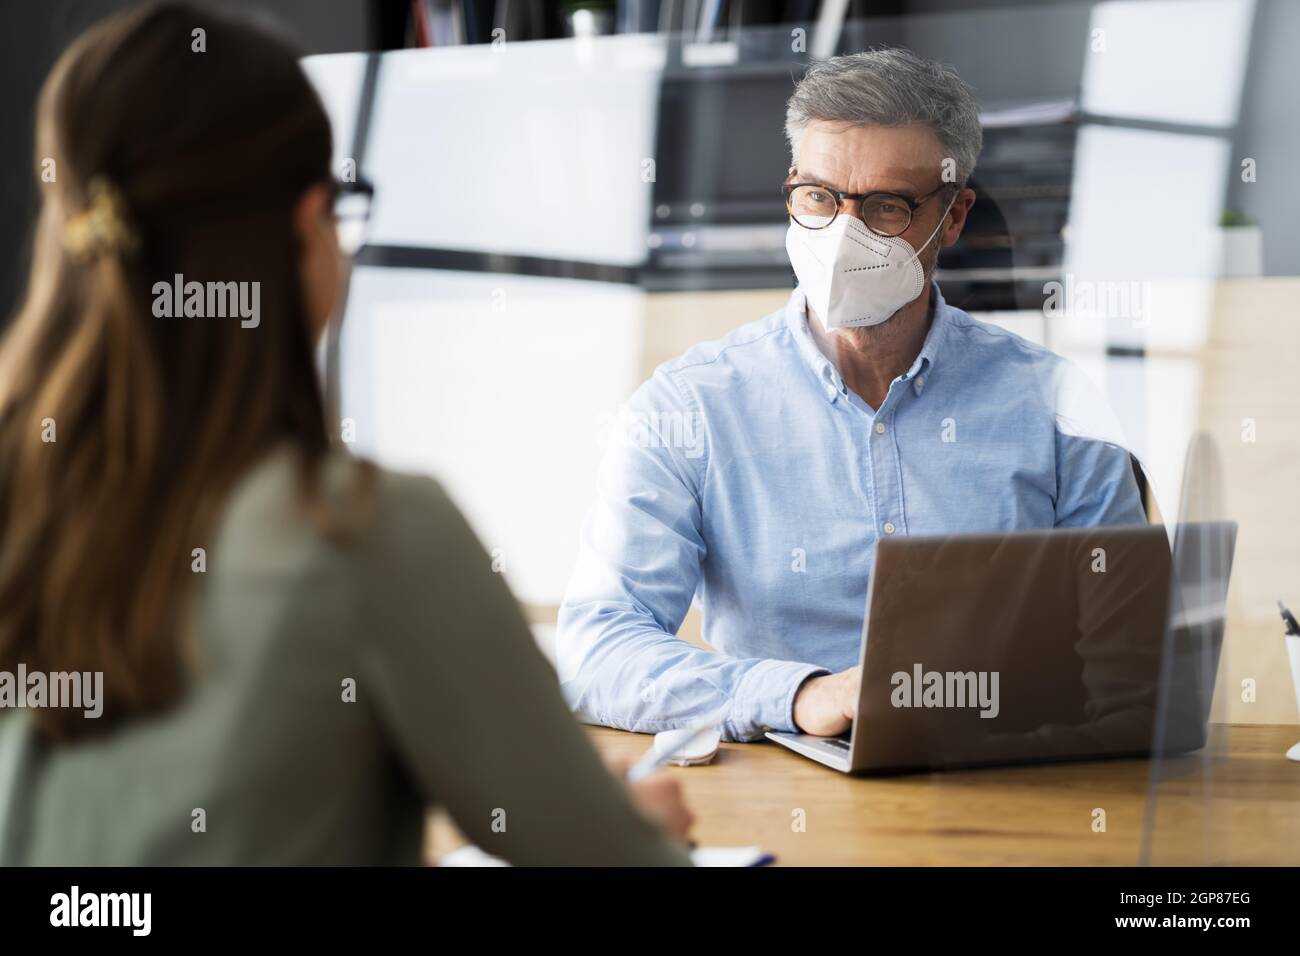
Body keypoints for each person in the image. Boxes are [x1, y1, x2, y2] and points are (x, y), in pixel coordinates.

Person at [0, 1, 691, 866]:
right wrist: (643, 830)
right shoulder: (365, 531)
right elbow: (604, 853)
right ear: (305, 225)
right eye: (340, 211)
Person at [557, 48, 1145, 743]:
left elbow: (1132, 660)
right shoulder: (689, 408)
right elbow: (596, 650)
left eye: (886, 207)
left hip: (1007, 786)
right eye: (819, 197)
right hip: (787, 790)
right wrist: (800, 694)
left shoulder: (1056, 404)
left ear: (952, 217)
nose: (842, 234)